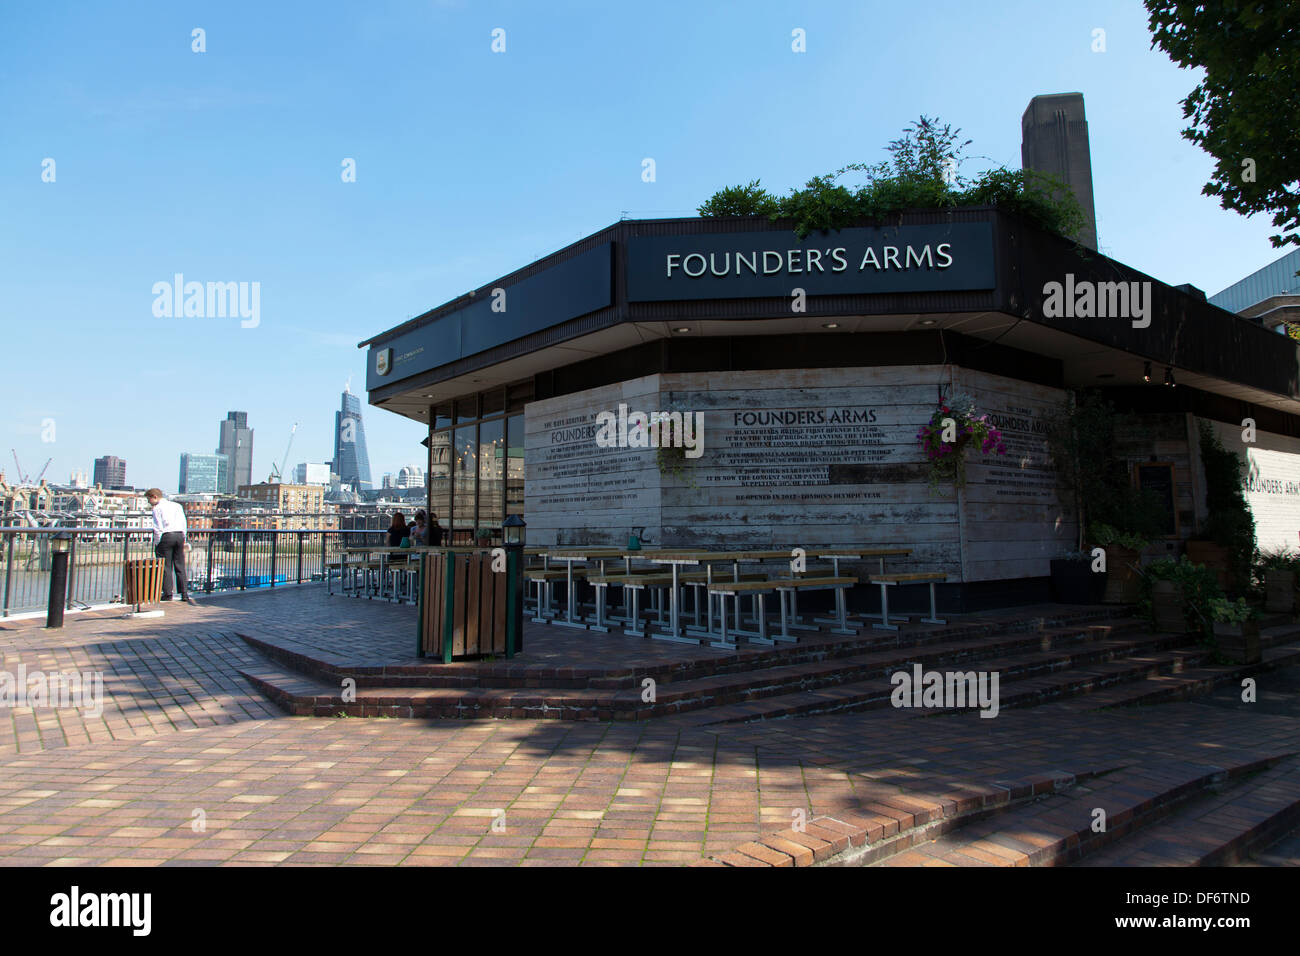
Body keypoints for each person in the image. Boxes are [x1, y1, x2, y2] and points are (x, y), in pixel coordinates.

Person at [146, 488, 196, 605]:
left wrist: (157, 542)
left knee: (165, 566)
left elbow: (158, 527)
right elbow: (184, 523)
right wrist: (183, 537)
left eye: (149, 500)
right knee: (180, 565)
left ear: (154, 497)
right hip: (179, 535)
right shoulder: (177, 506)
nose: (149, 503)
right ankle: (184, 594)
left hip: (166, 536)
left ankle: (168, 594)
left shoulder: (157, 509)